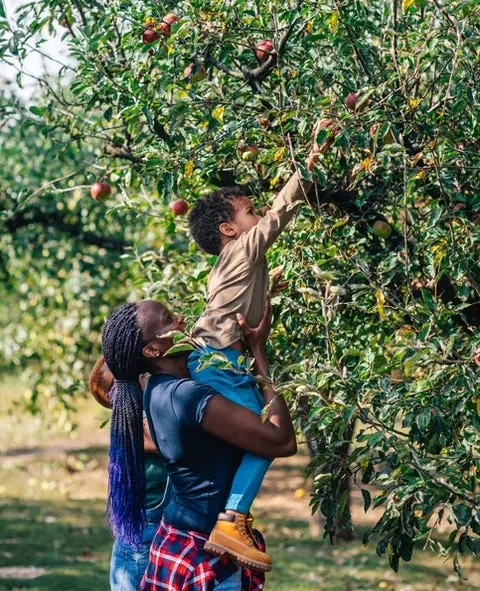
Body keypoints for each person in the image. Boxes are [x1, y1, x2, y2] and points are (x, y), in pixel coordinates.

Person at [186, 119, 337, 568]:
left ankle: (230, 515)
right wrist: (311, 160)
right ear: (230, 231)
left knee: (255, 438)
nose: (256, 217)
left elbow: (241, 299)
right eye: (248, 212)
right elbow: (282, 212)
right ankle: (232, 519)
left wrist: (268, 291)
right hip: (221, 359)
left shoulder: (229, 264)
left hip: (214, 357)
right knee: (268, 437)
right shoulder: (244, 248)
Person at [101, 297, 295, 589]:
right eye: (168, 320)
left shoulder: (158, 388)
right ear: (152, 350)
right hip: (202, 553)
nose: (180, 319)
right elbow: (281, 440)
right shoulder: (186, 396)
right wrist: (259, 350)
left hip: (180, 540)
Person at [88, 357, 171, 591]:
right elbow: (172, 440)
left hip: (164, 525)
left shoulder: (151, 403)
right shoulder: (132, 421)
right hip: (144, 530)